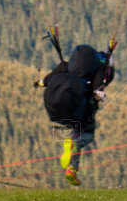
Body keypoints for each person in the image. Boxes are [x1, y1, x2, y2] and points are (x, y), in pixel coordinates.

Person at [38, 37, 115, 186]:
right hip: (76, 111)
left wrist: (39, 82)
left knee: (76, 132)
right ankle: (72, 151)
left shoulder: (64, 66)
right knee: (86, 134)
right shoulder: (97, 73)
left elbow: (45, 81)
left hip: (53, 109)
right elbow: (99, 88)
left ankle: (72, 168)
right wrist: (109, 57)